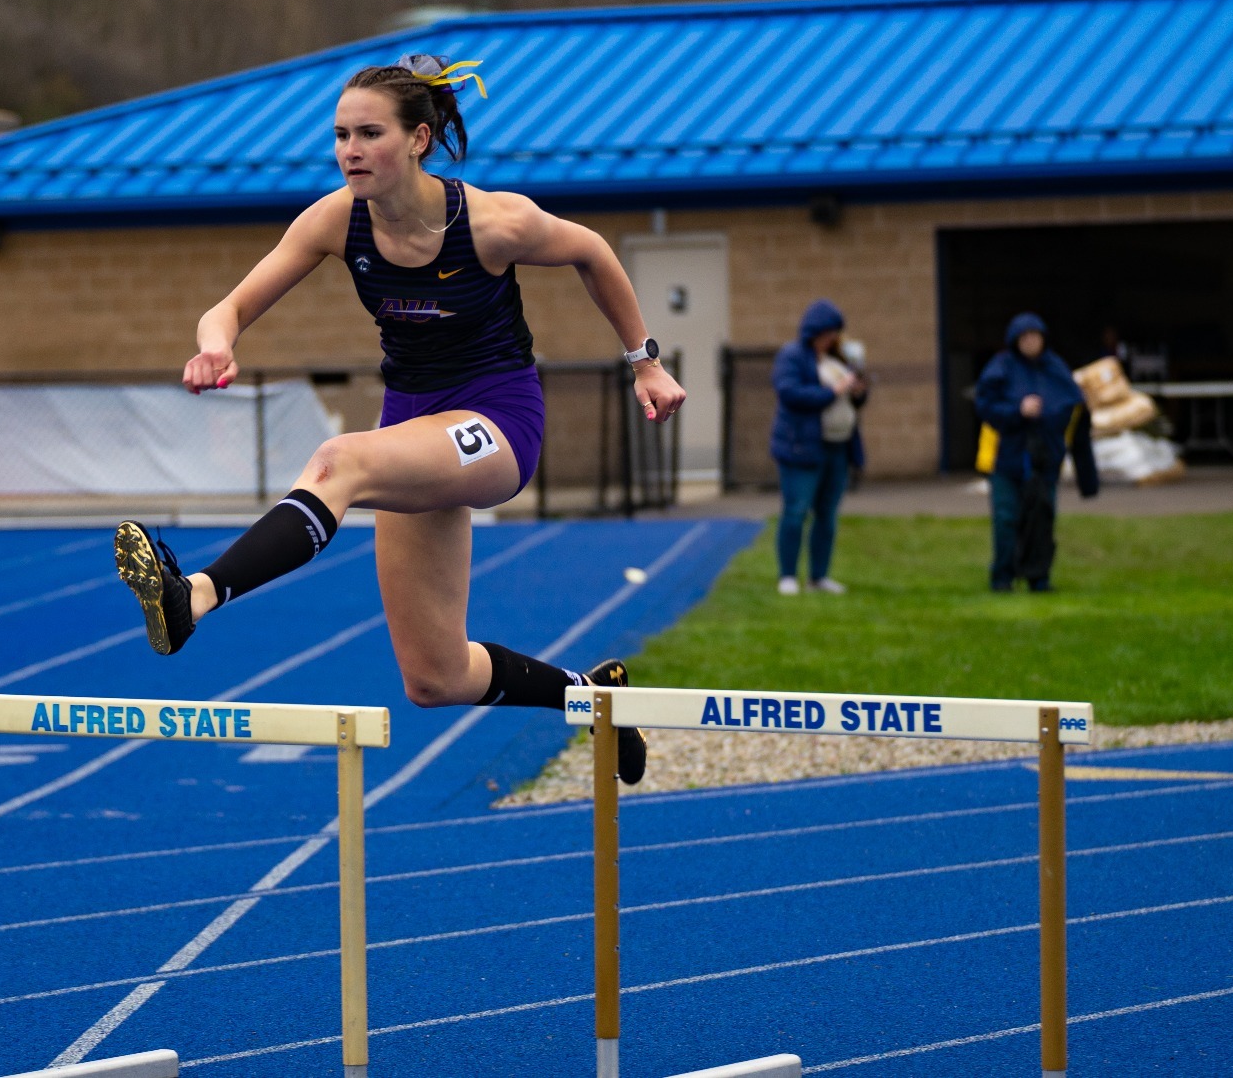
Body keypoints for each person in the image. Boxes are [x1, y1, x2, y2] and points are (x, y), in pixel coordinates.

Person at [112, 55, 685, 784]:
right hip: (413, 422)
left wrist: (645, 361)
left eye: (369, 133)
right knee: (435, 675)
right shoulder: (332, 220)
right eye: (340, 134)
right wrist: (216, 343)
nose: (350, 149)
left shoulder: (491, 221)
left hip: (498, 420)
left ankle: (193, 594)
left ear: (418, 140)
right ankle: (591, 696)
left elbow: (593, 252)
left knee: (337, 462)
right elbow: (229, 305)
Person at [975, 313, 1097, 592]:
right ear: (1015, 340)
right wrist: (1019, 411)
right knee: (1006, 520)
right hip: (1007, 460)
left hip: (1045, 462)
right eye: (1024, 337)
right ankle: (1002, 578)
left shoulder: (1055, 369)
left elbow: (1074, 413)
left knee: (1042, 519)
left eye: (1035, 336)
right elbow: (986, 406)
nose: (1030, 342)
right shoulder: (1001, 368)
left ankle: (1038, 577)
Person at [769, 299, 866, 596]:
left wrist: (858, 393)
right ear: (813, 331)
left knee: (827, 514)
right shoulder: (793, 356)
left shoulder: (837, 360)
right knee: (796, 511)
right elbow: (789, 392)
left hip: (838, 446)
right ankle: (787, 575)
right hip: (802, 447)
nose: (831, 338)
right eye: (827, 332)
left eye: (835, 333)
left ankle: (818, 577)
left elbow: (852, 402)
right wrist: (831, 392)